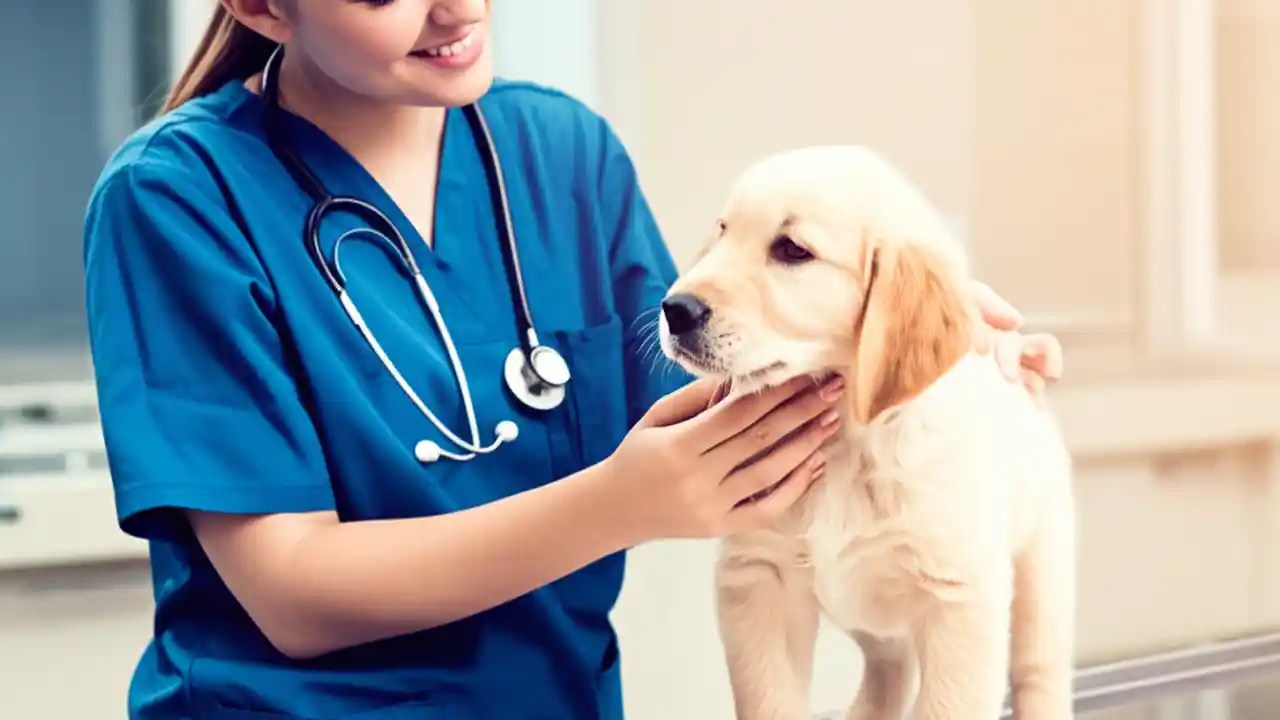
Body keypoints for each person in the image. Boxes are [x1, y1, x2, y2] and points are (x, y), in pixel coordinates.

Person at [81, 1, 1063, 718]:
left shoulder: (561, 156)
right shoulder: (176, 202)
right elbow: (291, 593)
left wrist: (901, 325)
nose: (456, 8)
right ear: (261, 8)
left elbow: (709, 383)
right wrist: (621, 504)